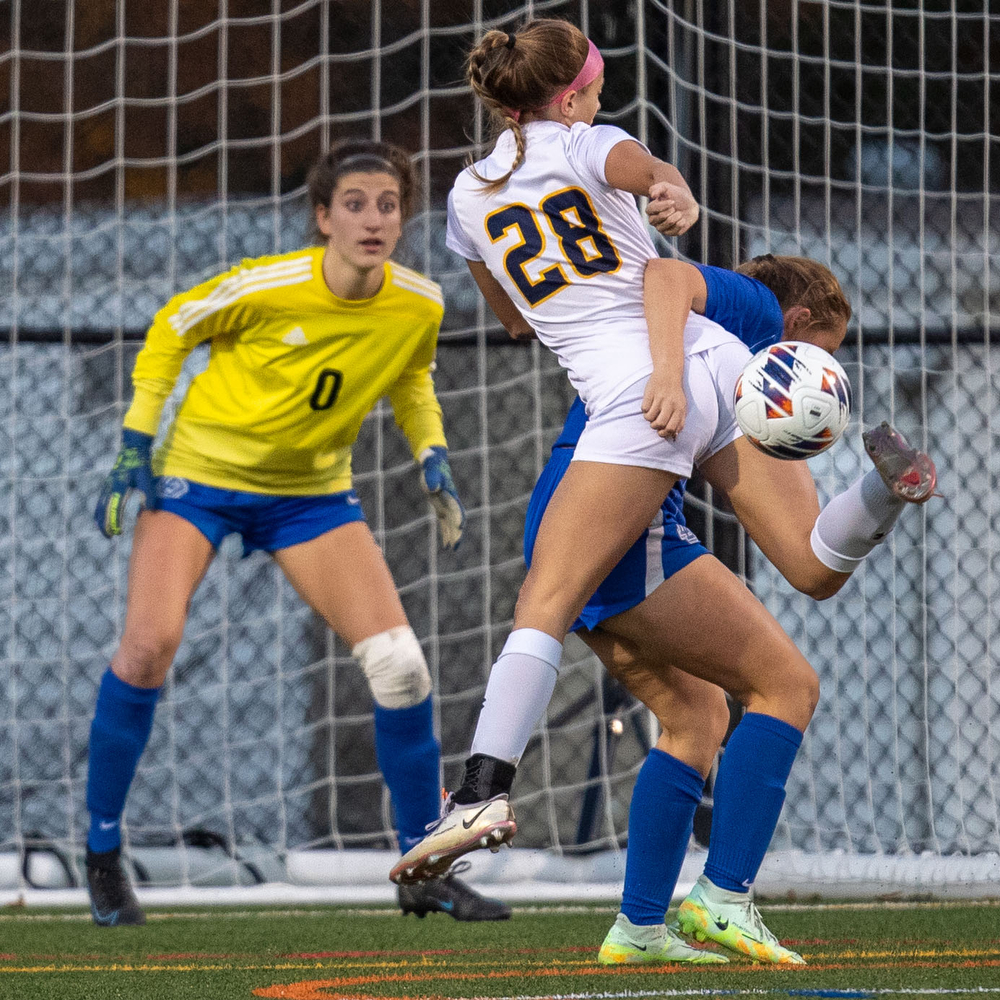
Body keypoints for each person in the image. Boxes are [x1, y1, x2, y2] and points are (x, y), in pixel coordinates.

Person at [390, 16, 937, 962]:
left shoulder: (465, 199)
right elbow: (653, 196)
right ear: (571, 97)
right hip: (710, 377)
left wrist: (635, 332)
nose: (602, 103)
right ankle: (672, 911)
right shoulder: (596, 142)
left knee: (544, 603)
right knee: (799, 588)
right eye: (597, 87)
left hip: (649, 401)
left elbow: (515, 322)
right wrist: (666, 194)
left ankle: (480, 791)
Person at [84, 138, 510, 926]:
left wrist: (434, 453)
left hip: (311, 498)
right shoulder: (268, 284)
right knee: (148, 647)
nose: (373, 219)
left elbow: (410, 375)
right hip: (198, 483)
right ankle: (102, 851)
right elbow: (172, 325)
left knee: (400, 669)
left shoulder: (419, 300)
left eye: (388, 205)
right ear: (322, 217)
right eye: (354, 204)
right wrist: (136, 441)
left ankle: (423, 862)